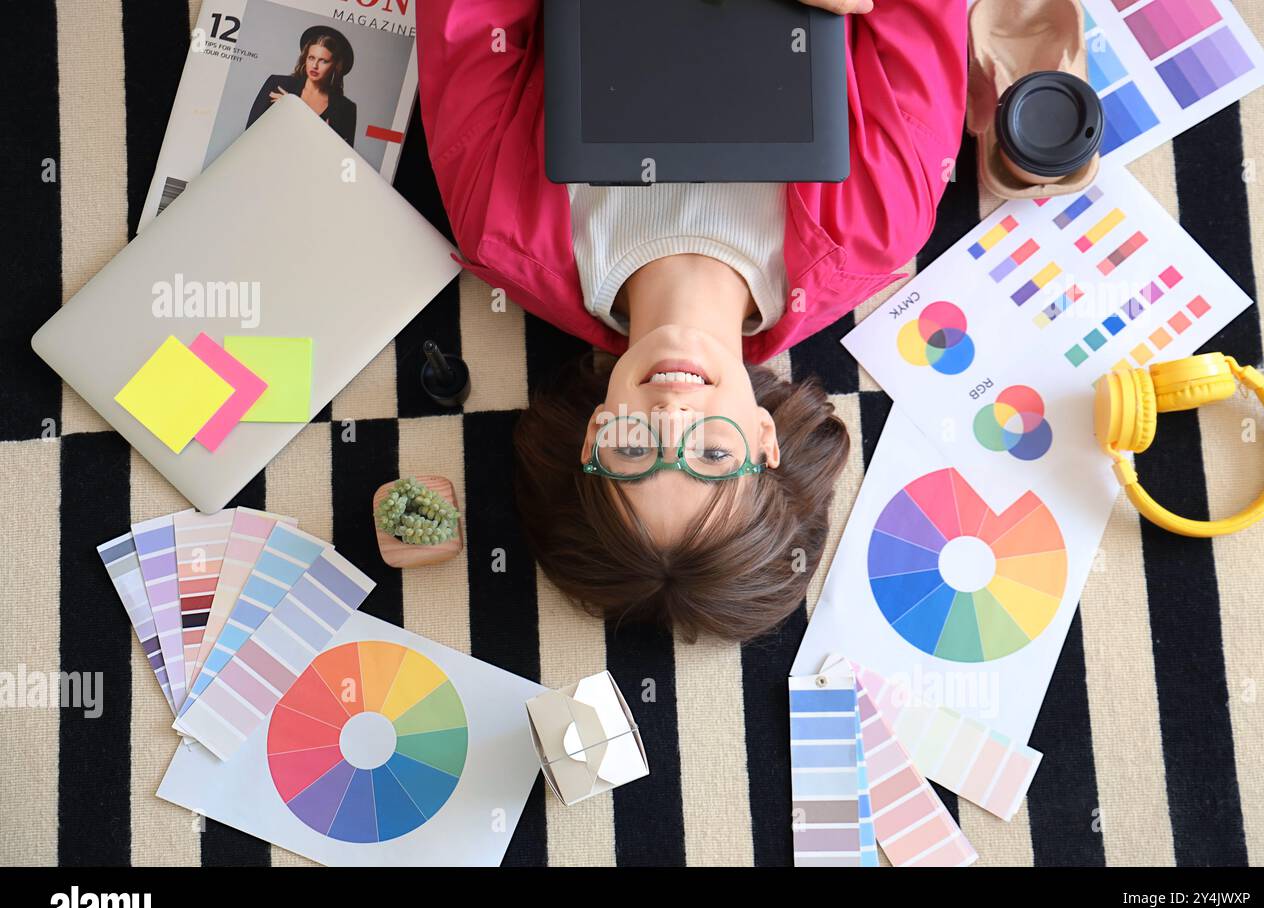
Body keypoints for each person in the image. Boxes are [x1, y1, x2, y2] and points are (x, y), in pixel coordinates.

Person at [417, 0, 968, 642]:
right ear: (765, 441)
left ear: (595, 434)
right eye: (710, 454)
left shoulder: (497, 224)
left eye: (632, 449)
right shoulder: (881, 223)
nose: (671, 415)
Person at [248, 26, 357, 146]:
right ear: (305, 58)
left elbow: (341, 159)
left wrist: (295, 110)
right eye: (311, 58)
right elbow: (250, 133)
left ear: (336, 66)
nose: (315, 65)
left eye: (323, 61)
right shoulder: (278, 84)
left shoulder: (345, 109)